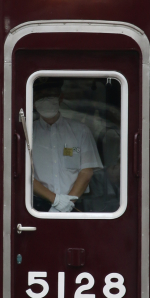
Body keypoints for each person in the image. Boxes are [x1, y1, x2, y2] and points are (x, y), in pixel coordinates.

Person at [31, 78, 103, 213]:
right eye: (41, 96)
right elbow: (25, 175)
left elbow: (87, 171)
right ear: (33, 102)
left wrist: (68, 202)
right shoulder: (27, 133)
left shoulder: (81, 131)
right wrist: (56, 200)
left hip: (74, 205)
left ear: (61, 98)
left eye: (51, 95)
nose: (46, 100)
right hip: (37, 207)